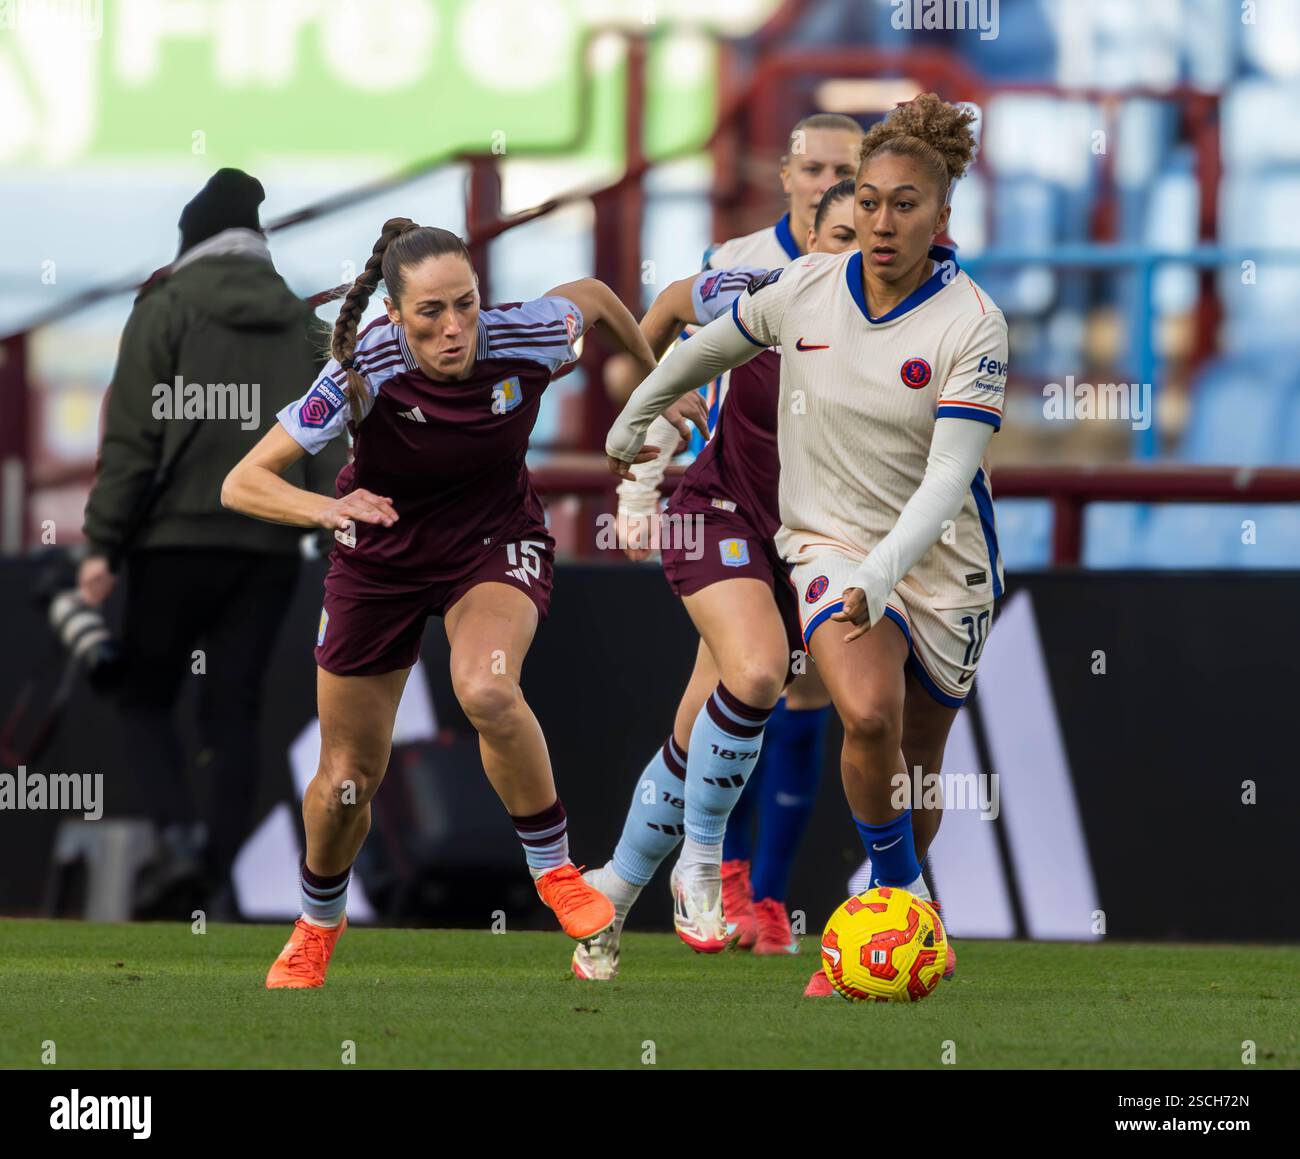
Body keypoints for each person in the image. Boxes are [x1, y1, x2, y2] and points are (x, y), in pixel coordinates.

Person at [222, 218, 702, 989]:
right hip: (377, 557)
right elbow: (243, 480)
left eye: (467, 305)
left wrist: (657, 396)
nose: (455, 329)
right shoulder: (363, 367)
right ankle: (316, 922)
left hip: (491, 540)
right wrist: (328, 510)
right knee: (347, 777)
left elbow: (602, 300)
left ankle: (555, 871)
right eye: (431, 314)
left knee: (485, 685)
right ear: (394, 315)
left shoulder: (528, 335)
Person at [605, 94, 1008, 996]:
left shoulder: (972, 322)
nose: (880, 220)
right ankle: (895, 909)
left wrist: (887, 570)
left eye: (905, 204)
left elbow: (949, 479)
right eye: (868, 200)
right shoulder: (802, 284)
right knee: (864, 713)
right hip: (826, 540)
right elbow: (703, 345)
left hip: (941, 564)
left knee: (916, 766)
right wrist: (634, 421)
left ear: (942, 218)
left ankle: (884, 898)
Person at [573, 181, 860, 982]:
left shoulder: (907, 333)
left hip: (809, 545)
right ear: (809, 237)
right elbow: (666, 305)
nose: (850, 248)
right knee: (761, 671)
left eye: (864, 234)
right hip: (717, 511)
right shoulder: (757, 292)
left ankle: (611, 900)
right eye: (835, 232)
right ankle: (702, 862)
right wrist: (656, 397)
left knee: (698, 724)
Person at [79, 168, 345, 919]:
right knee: (234, 715)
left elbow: (131, 443)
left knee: (144, 699)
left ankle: (179, 841)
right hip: (265, 550)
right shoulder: (302, 322)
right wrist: (337, 534)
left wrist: (101, 546)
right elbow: (327, 442)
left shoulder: (163, 307)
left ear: (191, 240)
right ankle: (214, 871)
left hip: (169, 548)